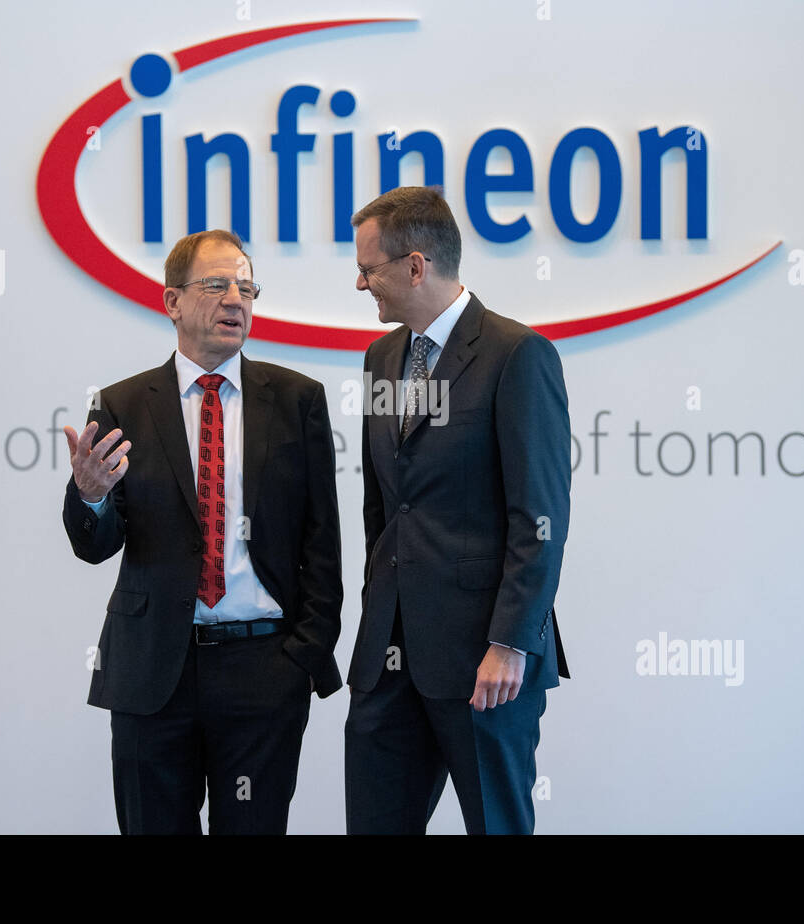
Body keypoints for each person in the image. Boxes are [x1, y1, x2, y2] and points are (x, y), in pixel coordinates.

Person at [61, 229, 343, 834]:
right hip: (153, 671)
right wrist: (89, 496)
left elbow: (323, 543)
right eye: (216, 285)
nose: (235, 299)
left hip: (263, 671)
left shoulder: (297, 400)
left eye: (246, 287)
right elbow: (94, 545)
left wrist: (301, 656)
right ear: (172, 302)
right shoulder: (121, 404)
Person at [344, 185, 571, 835]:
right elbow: (382, 507)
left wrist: (509, 643)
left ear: (416, 266)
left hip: (484, 664)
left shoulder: (516, 355)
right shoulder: (381, 359)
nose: (361, 285)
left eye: (369, 269)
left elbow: (541, 518)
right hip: (387, 661)